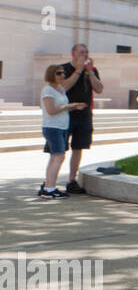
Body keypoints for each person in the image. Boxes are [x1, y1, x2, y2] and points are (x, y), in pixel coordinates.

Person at [55, 43, 103, 193]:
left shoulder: (92, 70)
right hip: (65, 115)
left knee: (78, 148)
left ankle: (71, 180)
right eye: (81, 52)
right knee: (59, 150)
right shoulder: (62, 69)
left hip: (84, 115)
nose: (84, 54)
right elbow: (64, 87)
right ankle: (50, 182)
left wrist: (90, 73)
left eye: (86, 52)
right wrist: (79, 70)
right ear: (73, 53)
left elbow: (99, 89)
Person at [39, 64, 85, 198]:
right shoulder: (48, 90)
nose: (62, 75)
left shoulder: (60, 89)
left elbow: (62, 107)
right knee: (59, 156)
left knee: (55, 157)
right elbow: (51, 110)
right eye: (58, 73)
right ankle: (50, 189)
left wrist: (74, 106)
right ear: (51, 75)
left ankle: (48, 187)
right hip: (52, 128)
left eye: (63, 73)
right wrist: (68, 106)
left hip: (62, 127)